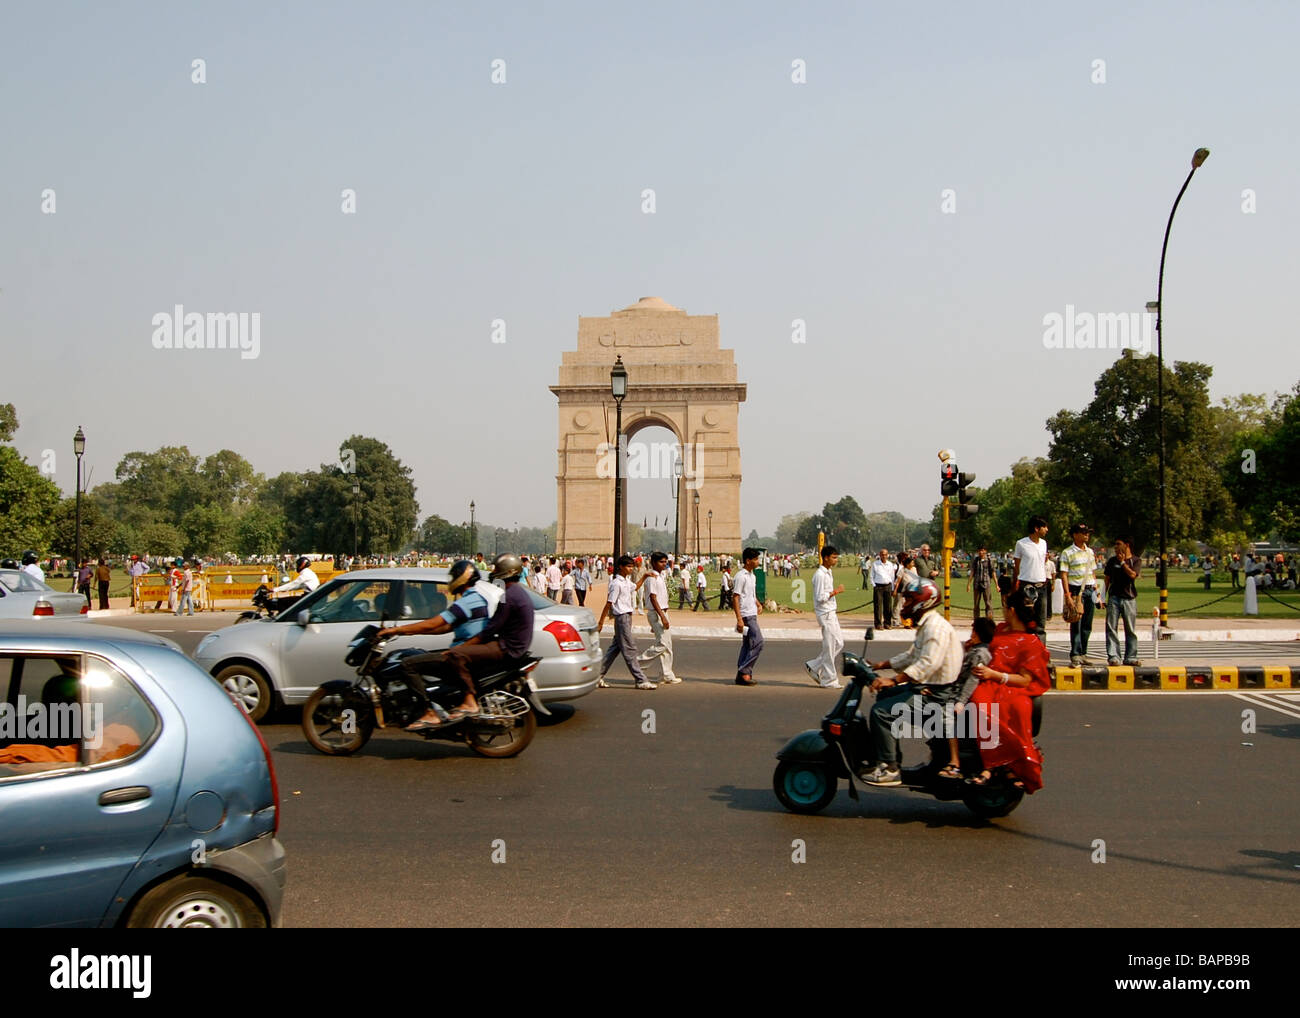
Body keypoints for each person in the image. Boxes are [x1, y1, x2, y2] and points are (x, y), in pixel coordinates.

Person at [862, 578, 963, 785]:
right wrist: (880, 665)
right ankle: (889, 757)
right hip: (929, 686)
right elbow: (912, 656)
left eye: (908, 600)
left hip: (937, 693)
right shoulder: (927, 625)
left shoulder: (936, 628)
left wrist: (894, 680)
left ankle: (890, 768)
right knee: (884, 696)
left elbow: (927, 664)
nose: (905, 604)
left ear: (922, 602)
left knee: (881, 712)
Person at [386, 559, 502, 730]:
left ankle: (428, 711)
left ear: (462, 578)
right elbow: (445, 627)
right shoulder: (477, 598)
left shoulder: (466, 602)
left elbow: (436, 622)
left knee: (407, 664)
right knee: (419, 655)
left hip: (461, 654)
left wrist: (398, 630)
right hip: (466, 652)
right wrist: (412, 631)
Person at [969, 587, 1051, 791]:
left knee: (1017, 708)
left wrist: (995, 675)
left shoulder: (1031, 642)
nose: (1003, 610)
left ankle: (1009, 765)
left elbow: (1024, 680)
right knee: (978, 704)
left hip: (1010, 686)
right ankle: (992, 762)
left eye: (1005, 607)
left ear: (1012, 610)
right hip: (987, 682)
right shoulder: (1000, 630)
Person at [441, 553, 536, 707]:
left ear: (507, 572)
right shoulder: (517, 592)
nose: (493, 573)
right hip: (513, 645)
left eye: (496, 569)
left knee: (456, 655)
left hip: (506, 648)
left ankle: (469, 700)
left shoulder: (509, 597)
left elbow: (489, 630)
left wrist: (461, 647)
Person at [938, 615, 998, 779]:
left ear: (977, 633)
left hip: (959, 694)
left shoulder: (981, 653)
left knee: (946, 717)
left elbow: (972, 680)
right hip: (955, 688)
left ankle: (954, 761)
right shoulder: (977, 650)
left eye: (973, 631)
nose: (971, 634)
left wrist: (960, 702)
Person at [596, 555, 655, 689]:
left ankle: (597, 676)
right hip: (622, 617)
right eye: (628, 567)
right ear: (621, 567)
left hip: (627, 617)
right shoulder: (616, 584)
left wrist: (645, 577)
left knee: (614, 649)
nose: (630, 569)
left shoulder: (626, 582)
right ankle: (640, 679)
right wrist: (601, 622)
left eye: (631, 567)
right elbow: (609, 603)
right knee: (629, 649)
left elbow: (635, 587)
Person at [804, 544, 845, 689]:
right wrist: (836, 592)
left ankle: (814, 665)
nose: (836, 560)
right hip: (825, 613)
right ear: (825, 558)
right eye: (833, 557)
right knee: (830, 646)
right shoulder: (820, 575)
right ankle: (829, 679)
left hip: (831, 611)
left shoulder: (828, 572)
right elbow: (820, 597)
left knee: (838, 643)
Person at [1058, 523, 1098, 666]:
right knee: (1076, 622)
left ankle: (1083, 653)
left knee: (1087, 624)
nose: (1086, 535)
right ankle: (1075, 653)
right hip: (1075, 591)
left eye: (1088, 532)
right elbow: (1063, 575)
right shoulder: (1067, 553)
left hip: (1089, 589)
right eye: (1083, 532)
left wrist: (1097, 592)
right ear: (1075, 535)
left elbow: (1093, 572)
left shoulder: (1090, 552)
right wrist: (1067, 596)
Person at [636, 551, 679, 684]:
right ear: (654, 563)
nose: (664, 564)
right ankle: (638, 663)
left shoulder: (660, 576)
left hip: (662, 613)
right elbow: (653, 598)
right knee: (663, 644)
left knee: (668, 646)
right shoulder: (651, 577)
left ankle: (666, 675)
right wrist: (662, 617)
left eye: (666, 561)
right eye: (661, 562)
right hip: (657, 613)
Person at [1103, 537, 1142, 666]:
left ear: (1127, 545)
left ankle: (1131, 656)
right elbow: (1107, 579)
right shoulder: (1112, 561)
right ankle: (1114, 656)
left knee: (1130, 628)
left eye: (1118, 544)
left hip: (1129, 598)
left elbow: (1132, 575)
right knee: (1111, 627)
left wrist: (1123, 563)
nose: (1115, 547)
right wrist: (1102, 596)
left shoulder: (1136, 560)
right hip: (1114, 597)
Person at [1013, 515, 1051, 644]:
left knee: (1041, 622)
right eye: (1044, 527)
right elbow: (1016, 567)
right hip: (1026, 586)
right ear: (1036, 528)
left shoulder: (1044, 544)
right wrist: (1015, 586)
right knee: (1027, 621)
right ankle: (1026, 651)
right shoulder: (1021, 544)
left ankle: (1041, 653)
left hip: (1041, 586)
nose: (1047, 529)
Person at [732, 548, 764, 685]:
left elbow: (750, 594)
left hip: (752, 612)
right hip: (745, 615)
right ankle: (744, 670)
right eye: (756, 559)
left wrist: (757, 603)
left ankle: (742, 675)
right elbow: (736, 597)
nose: (758, 562)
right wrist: (739, 619)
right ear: (748, 561)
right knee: (759, 642)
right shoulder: (741, 576)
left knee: (747, 644)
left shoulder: (752, 575)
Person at [966, 545, 997, 619]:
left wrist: (997, 585)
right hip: (977, 583)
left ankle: (989, 620)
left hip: (986, 583)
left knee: (988, 603)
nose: (981, 552)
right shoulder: (976, 560)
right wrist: (968, 584)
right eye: (980, 550)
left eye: (982, 550)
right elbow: (972, 572)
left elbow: (993, 572)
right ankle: (976, 620)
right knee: (976, 604)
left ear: (985, 551)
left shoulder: (989, 560)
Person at [870, 549, 897, 630]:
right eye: (882, 554)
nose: (884, 556)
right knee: (878, 606)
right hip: (878, 586)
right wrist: (874, 585)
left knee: (888, 606)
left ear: (887, 555)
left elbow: (892, 577)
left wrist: (892, 588)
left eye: (885, 554)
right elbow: (871, 576)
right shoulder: (875, 564)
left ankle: (887, 623)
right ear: (880, 555)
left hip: (888, 586)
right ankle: (878, 624)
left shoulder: (890, 564)